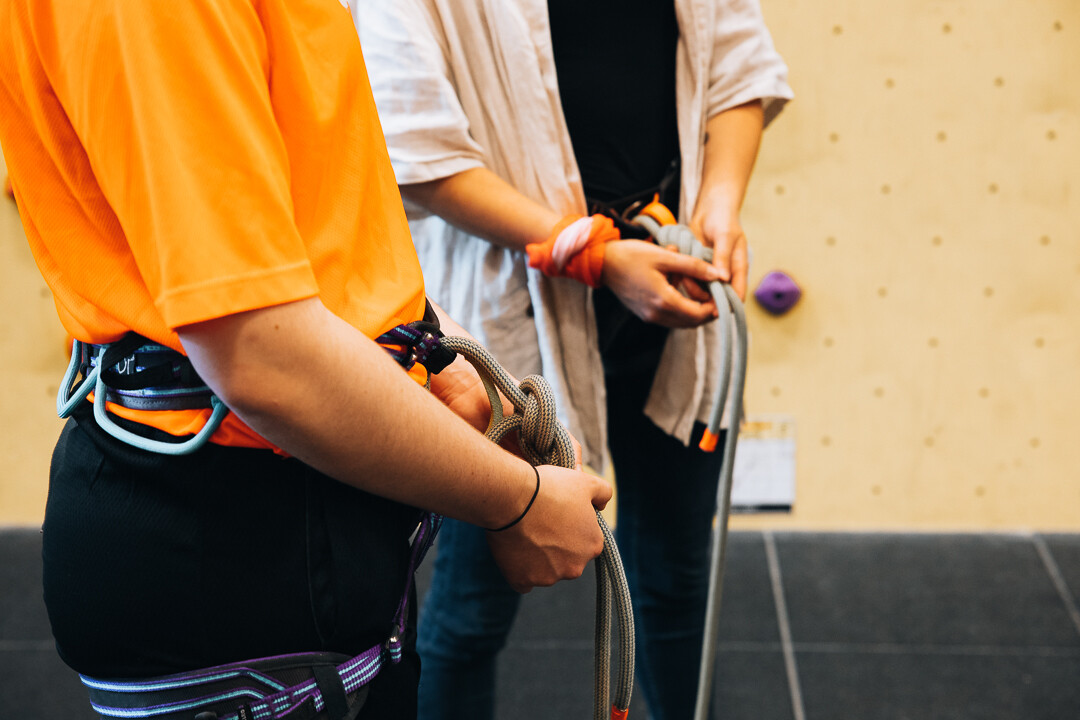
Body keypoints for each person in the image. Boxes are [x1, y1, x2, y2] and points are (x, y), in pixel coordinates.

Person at [0, 0, 612, 718]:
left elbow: (305, 237)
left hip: (292, 514)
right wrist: (518, 503)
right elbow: (259, 352)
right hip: (233, 536)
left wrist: (436, 351)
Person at [353, 1, 792, 718]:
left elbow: (739, 66)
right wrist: (592, 256)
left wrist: (719, 200)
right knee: (473, 610)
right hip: (514, 325)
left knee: (677, 580)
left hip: (673, 296)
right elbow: (412, 151)